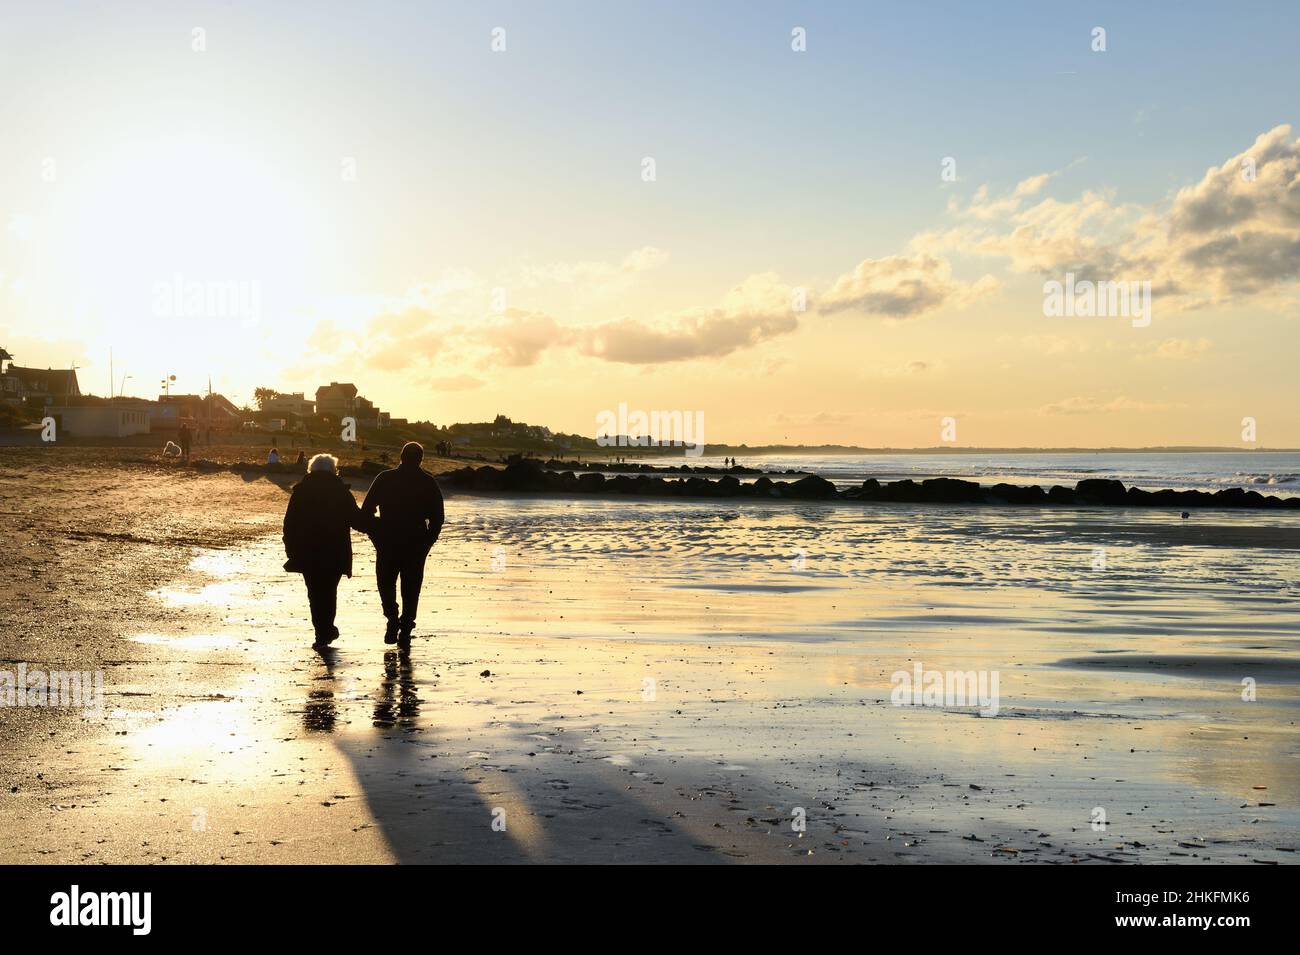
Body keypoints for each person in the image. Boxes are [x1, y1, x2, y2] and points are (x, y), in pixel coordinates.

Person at [362, 441, 445, 647]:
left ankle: (392, 619)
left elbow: (366, 511)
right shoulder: (428, 482)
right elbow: (437, 517)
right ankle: (405, 627)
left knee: (385, 583)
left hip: (388, 540)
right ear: (421, 459)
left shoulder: (385, 478)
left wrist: (376, 533)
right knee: (411, 587)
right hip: (415, 542)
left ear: (401, 457)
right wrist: (428, 540)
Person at [283, 453, 369, 647]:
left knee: (314, 593)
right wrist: (377, 524)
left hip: (307, 552)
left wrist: (290, 549)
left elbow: (289, 524)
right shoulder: (340, 491)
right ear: (333, 470)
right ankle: (326, 630)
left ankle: (322, 633)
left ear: (311, 470)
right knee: (329, 592)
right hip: (334, 552)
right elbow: (357, 520)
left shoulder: (301, 491)